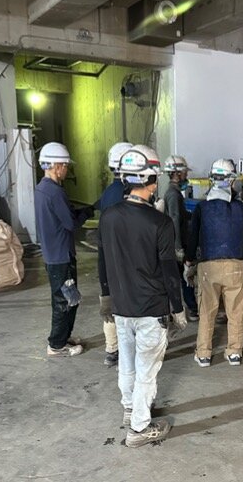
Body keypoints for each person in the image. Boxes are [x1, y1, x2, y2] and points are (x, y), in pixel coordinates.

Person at [98, 144, 186, 448]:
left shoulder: (108, 217)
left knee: (127, 363)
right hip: (151, 309)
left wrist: (106, 296)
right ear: (150, 179)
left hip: (121, 306)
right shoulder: (160, 222)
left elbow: (103, 261)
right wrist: (178, 308)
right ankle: (139, 428)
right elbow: (169, 271)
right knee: (147, 370)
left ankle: (130, 409)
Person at [186, 158, 243, 368]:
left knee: (207, 311)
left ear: (212, 179)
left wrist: (189, 262)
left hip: (208, 267)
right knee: (236, 311)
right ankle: (234, 353)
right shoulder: (242, 208)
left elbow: (193, 238)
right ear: (232, 180)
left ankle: (204, 355)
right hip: (236, 265)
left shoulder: (201, 208)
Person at [35, 142, 93, 358]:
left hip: (52, 253)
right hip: (61, 255)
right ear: (56, 166)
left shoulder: (41, 188)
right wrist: (87, 212)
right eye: (66, 165)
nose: (67, 170)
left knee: (66, 298)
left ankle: (62, 337)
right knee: (64, 301)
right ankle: (57, 345)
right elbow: (70, 223)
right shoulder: (55, 192)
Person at [97, 141, 132, 367]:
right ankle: (128, 352)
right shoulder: (126, 194)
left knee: (110, 304)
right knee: (126, 307)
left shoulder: (108, 192)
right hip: (124, 259)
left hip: (107, 257)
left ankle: (112, 350)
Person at [163, 155, 199, 321]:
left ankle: (180, 309)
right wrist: (178, 248)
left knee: (181, 278)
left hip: (176, 242)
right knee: (185, 277)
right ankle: (191, 309)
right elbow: (175, 220)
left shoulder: (175, 193)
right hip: (176, 244)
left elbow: (182, 216)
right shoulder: (173, 195)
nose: (186, 175)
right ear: (177, 173)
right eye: (184, 172)